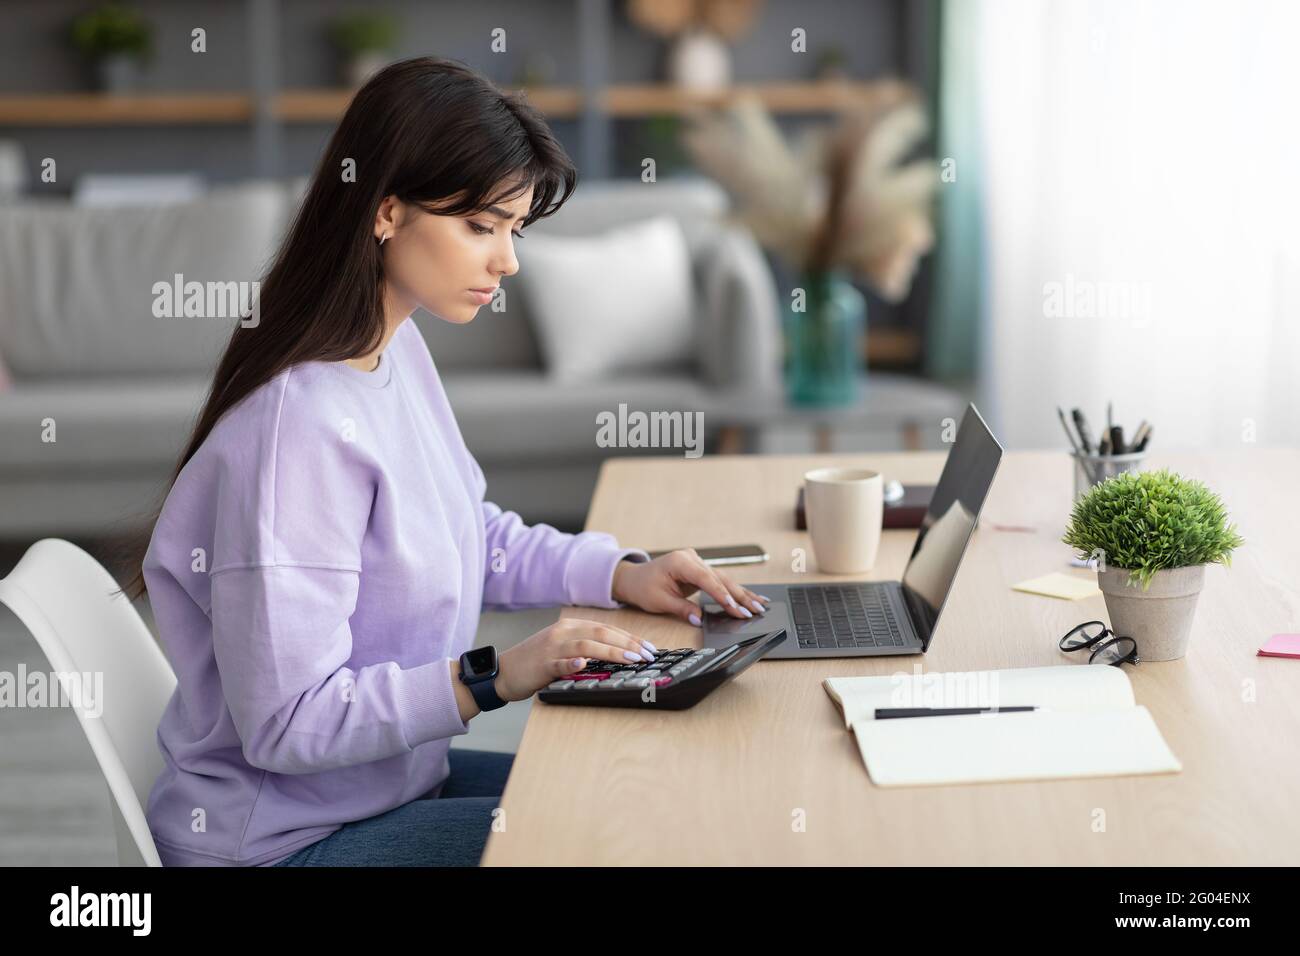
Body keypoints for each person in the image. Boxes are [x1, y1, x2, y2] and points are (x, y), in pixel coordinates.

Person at [114, 57, 769, 867]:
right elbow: (287, 724)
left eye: (514, 231)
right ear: (386, 211)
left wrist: (623, 573)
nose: (508, 262)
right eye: (481, 226)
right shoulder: (297, 433)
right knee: (625, 835)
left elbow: (468, 534)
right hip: (284, 842)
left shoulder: (393, 350)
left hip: (383, 788)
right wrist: (498, 674)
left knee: (647, 785)